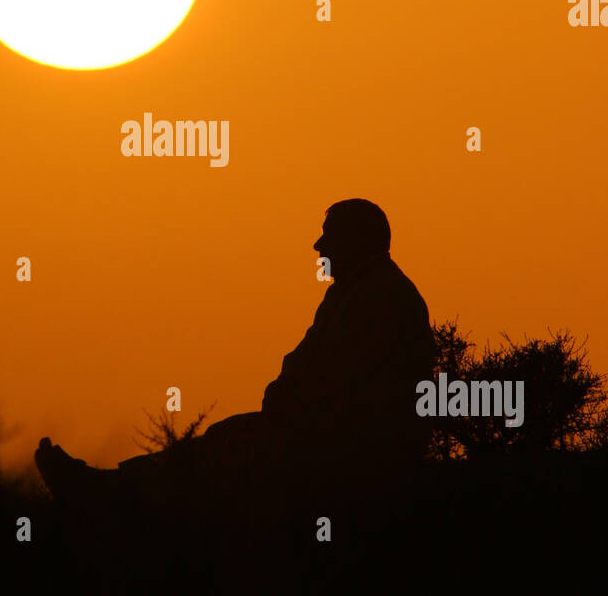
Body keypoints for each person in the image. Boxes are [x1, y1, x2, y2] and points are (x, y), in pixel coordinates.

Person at [34, 199, 435, 503]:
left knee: (226, 448)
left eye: (328, 234)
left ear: (355, 240)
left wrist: (288, 406)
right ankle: (109, 486)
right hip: (322, 434)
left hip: (353, 450)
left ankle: (109, 492)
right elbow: (304, 366)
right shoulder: (350, 293)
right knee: (224, 439)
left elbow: (339, 382)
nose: (318, 245)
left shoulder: (382, 296)